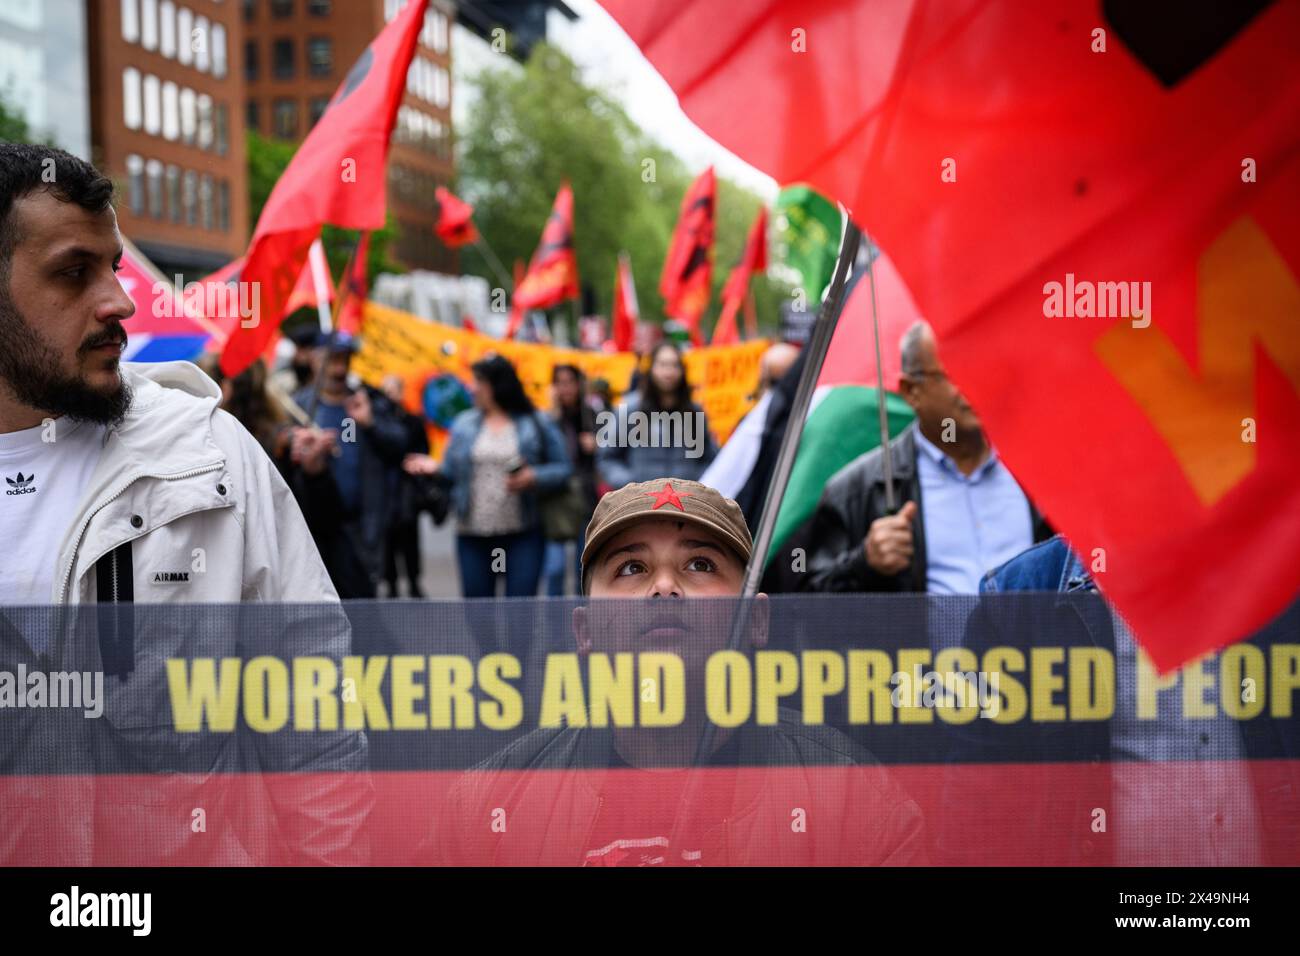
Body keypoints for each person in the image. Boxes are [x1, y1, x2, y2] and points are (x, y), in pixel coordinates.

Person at [0, 143, 368, 863]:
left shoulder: (209, 454)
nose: (121, 300)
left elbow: (312, 715)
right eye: (75, 272)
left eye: (113, 265)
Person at [433, 477, 927, 865]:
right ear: (583, 632)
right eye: (631, 568)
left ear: (756, 620)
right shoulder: (489, 806)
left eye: (700, 565)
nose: (664, 587)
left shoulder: (857, 803)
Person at [802, 320, 1052, 593]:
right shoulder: (858, 490)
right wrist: (863, 564)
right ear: (912, 391)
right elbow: (811, 608)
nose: (973, 385)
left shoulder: (1041, 472)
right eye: (955, 374)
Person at [405, 353, 571, 599]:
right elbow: (451, 469)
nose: (472, 389)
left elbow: (563, 469)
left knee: (519, 615)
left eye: (479, 383)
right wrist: (434, 467)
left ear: (497, 386)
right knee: (479, 616)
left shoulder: (535, 422)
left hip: (522, 534)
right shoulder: (463, 424)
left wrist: (534, 476)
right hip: (473, 536)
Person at [292, 332, 409, 598]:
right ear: (314, 360)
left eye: (345, 360)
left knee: (360, 603)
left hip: (361, 526)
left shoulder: (369, 401)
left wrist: (370, 423)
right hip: (314, 527)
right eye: (332, 360)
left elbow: (400, 445)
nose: (339, 368)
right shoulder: (300, 406)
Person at [596, 341, 718, 489]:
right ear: (652, 368)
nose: (669, 371)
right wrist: (632, 486)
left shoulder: (694, 412)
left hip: (686, 506)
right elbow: (608, 460)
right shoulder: (630, 409)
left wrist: (697, 484)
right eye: (663, 365)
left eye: (674, 365)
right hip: (641, 504)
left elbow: (711, 459)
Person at [542, 364, 598, 596]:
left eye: (570, 382)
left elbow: (612, 451)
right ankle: (555, 622)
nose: (565, 389)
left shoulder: (592, 415)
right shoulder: (546, 420)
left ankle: (579, 618)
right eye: (560, 383)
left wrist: (597, 445)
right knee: (554, 568)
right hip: (554, 501)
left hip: (585, 499)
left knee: (582, 566)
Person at [380, 374, 429, 598]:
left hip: (407, 489)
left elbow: (422, 450)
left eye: (393, 391)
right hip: (386, 489)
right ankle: (390, 583)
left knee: (409, 537)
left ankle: (413, 580)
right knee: (388, 539)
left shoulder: (413, 421)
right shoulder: (377, 422)